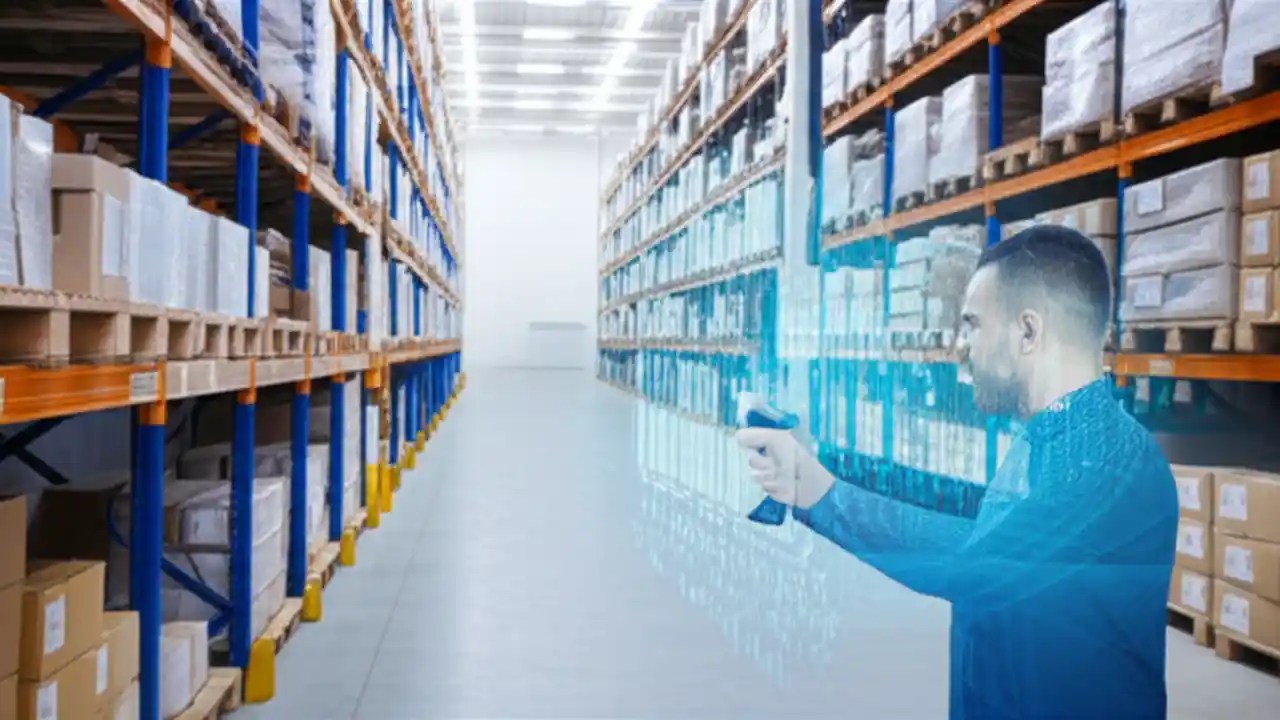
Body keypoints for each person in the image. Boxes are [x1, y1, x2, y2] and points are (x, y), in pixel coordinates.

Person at [737, 225, 1178, 720]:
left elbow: (979, 563)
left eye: (973, 324)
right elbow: (982, 526)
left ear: (1028, 332)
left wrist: (820, 493)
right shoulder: (1054, 441)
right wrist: (822, 464)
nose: (961, 347)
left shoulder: (1105, 464)